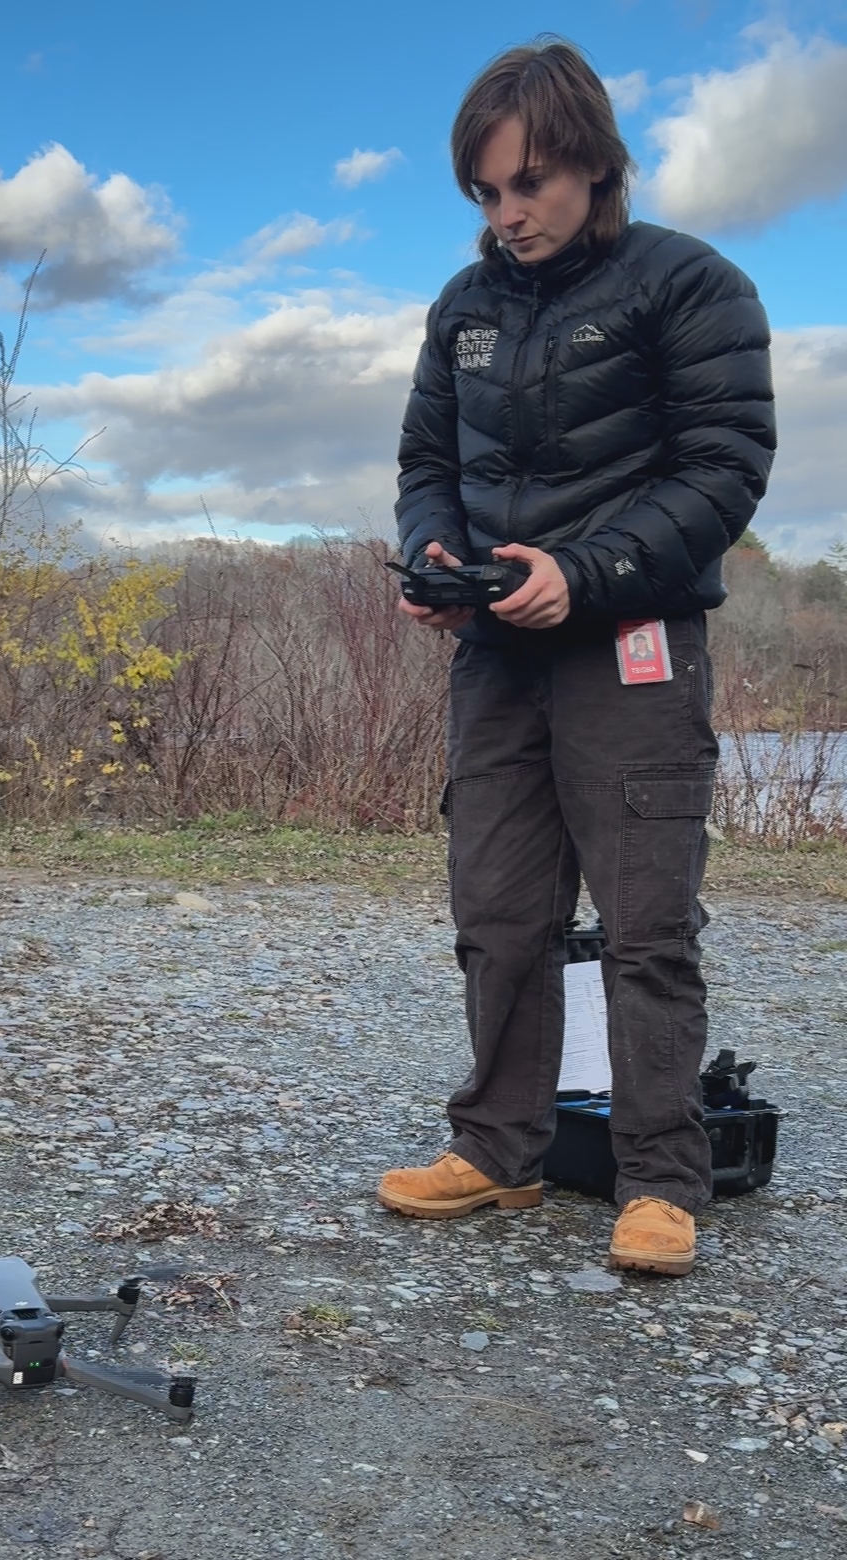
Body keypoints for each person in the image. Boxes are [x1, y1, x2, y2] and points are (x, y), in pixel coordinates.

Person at [377, 38, 775, 1277]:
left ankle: (660, 1179)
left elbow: (723, 469)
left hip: (632, 644)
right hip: (497, 651)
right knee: (498, 912)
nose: (508, 214)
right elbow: (425, 463)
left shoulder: (691, 284)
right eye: (486, 191)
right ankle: (499, 1148)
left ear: (595, 164)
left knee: (647, 922)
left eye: (530, 183)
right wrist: (435, 557)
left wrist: (585, 573)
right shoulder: (465, 307)